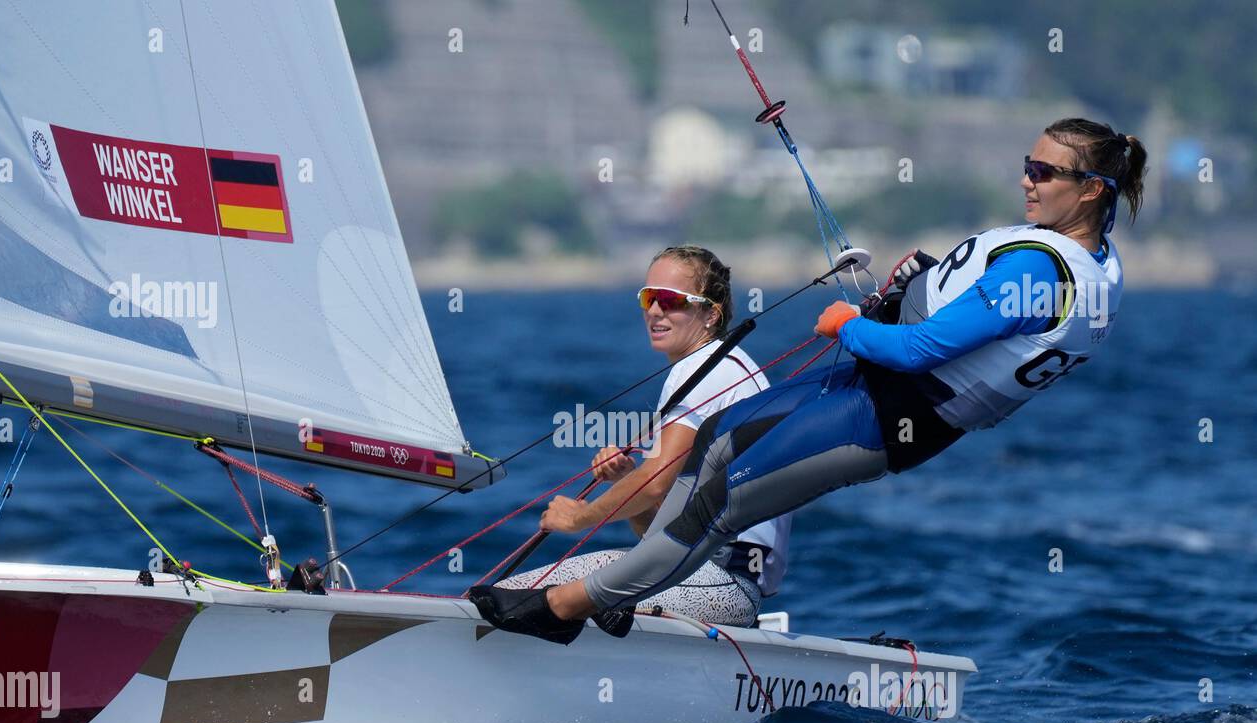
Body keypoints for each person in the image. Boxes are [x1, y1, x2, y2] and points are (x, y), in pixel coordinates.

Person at [471, 117, 1147, 644]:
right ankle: (629, 590)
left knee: (717, 507)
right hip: (871, 387)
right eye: (1025, 166)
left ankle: (562, 609)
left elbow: (925, 349)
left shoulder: (1042, 274)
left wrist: (847, 324)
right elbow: (983, 320)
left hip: (888, 418)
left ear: (1092, 190)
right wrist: (925, 280)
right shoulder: (1093, 262)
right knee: (719, 434)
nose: (1026, 180)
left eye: (1043, 172)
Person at [496, 244, 791, 631]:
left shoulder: (708, 370)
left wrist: (580, 517)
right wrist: (625, 482)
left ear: (709, 313)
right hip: (708, 581)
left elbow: (653, 485)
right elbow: (656, 531)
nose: (654, 311)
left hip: (719, 583)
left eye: (670, 300)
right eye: (648, 298)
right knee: (520, 598)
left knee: (508, 599)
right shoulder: (721, 369)